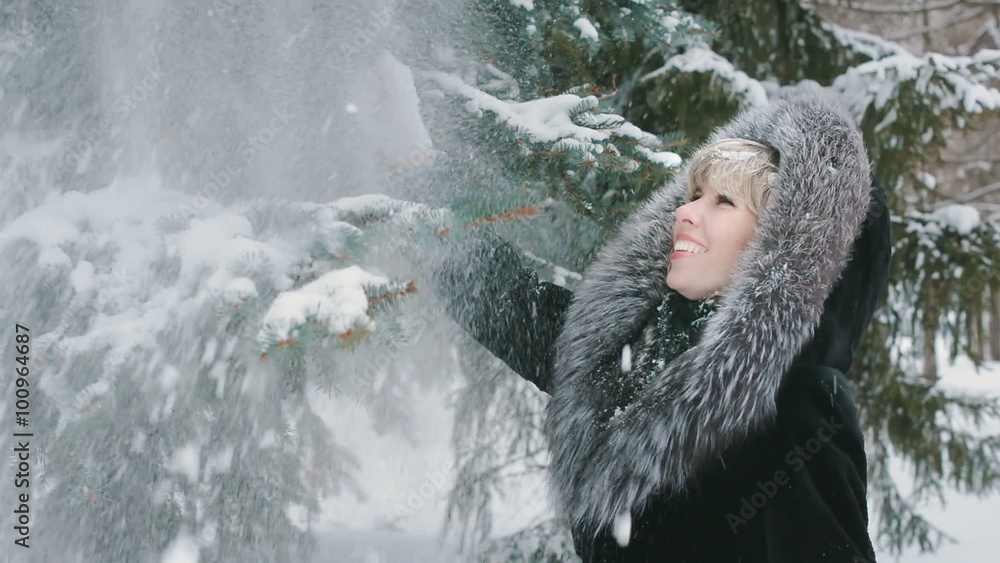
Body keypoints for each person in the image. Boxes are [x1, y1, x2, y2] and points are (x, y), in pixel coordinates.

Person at [432, 95, 890, 562]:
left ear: (779, 246)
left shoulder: (796, 404)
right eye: (693, 196)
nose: (685, 214)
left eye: (724, 201)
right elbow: (516, 311)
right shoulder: (639, 349)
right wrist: (427, 213)